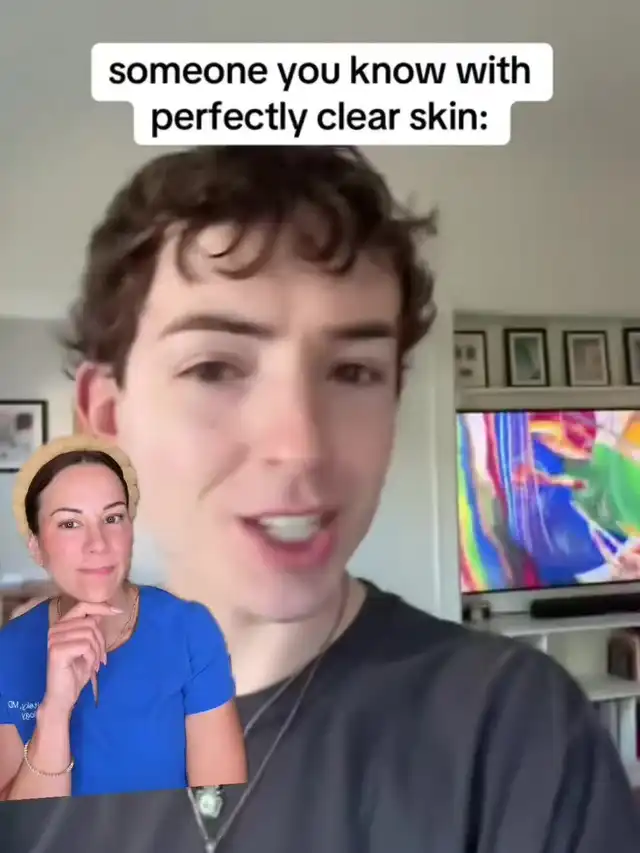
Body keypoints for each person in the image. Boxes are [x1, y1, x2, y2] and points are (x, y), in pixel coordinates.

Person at [1, 146, 639, 852]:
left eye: (353, 371)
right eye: (214, 367)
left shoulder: (517, 736)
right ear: (107, 418)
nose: (301, 444)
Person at [0, 435, 247, 801]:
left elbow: (219, 805)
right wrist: (54, 712)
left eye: (112, 518)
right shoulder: (10, 649)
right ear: (37, 548)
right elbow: (17, 822)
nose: (98, 543)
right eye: (70, 524)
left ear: (130, 533)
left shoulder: (188, 631)